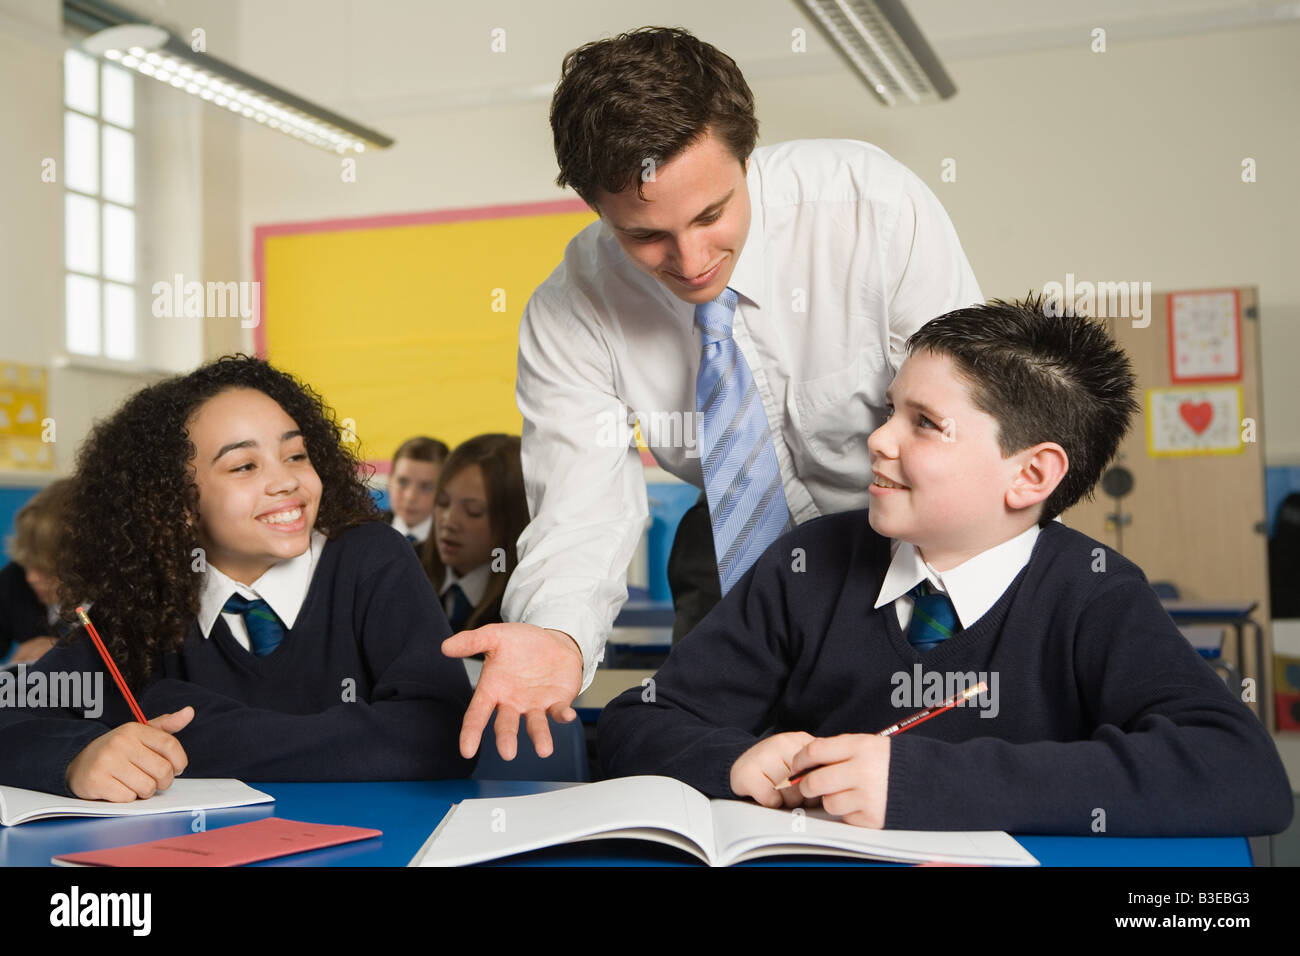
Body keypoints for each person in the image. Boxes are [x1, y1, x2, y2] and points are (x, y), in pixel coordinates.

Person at [444, 26, 983, 761]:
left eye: (710, 214)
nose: (692, 260)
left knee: (922, 760)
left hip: (907, 537)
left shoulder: (869, 207)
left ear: (745, 155)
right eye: (645, 236)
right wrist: (557, 633)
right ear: (591, 204)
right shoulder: (571, 310)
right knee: (717, 762)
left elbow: (965, 425)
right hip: (728, 552)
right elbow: (582, 510)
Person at [597, 298, 1294, 836]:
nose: (877, 439)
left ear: (1030, 475)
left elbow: (1240, 771)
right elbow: (634, 725)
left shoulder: (1092, 592)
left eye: (923, 423)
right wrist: (731, 763)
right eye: (888, 411)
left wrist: (914, 783)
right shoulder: (807, 566)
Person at [0, 355, 474, 800]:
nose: (286, 481)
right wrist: (75, 757)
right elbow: (10, 711)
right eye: (244, 466)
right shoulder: (144, 596)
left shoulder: (372, 558)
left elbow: (440, 736)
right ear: (178, 502)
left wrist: (192, 726)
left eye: (296, 456)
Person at [420, 434, 529, 637]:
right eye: (442, 502)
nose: (449, 522)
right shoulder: (404, 567)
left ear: (512, 519)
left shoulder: (529, 602)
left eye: (473, 511)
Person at [0, 478, 76, 664]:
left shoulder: (118, 606)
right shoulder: (14, 580)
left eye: (47, 570)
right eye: (26, 562)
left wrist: (72, 652)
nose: (31, 578)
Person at [383, 436, 449, 550]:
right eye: (402, 482)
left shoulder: (455, 545)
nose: (410, 497)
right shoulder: (363, 532)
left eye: (426, 487)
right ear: (389, 480)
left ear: (445, 491)